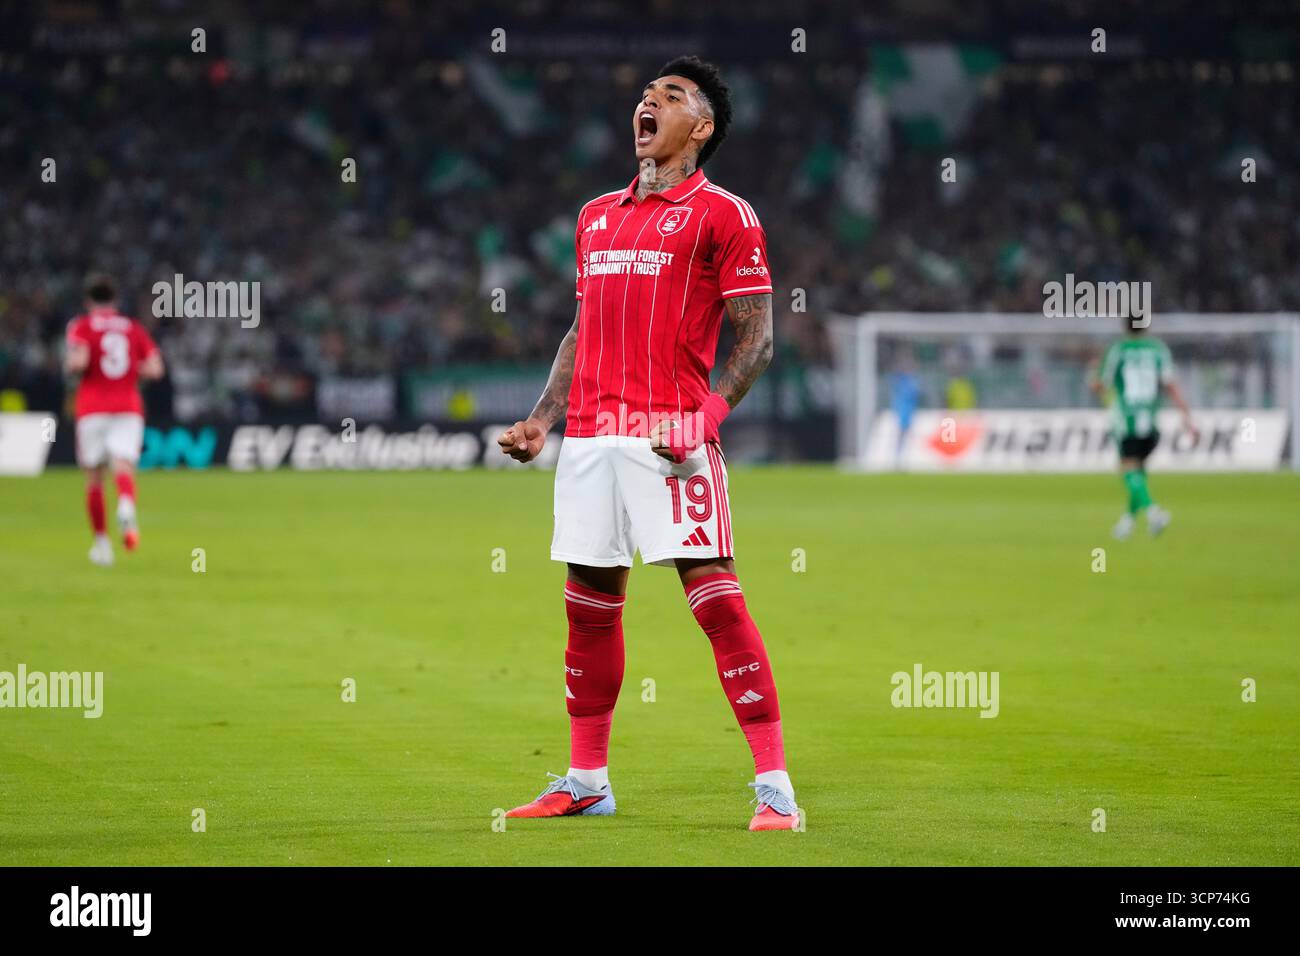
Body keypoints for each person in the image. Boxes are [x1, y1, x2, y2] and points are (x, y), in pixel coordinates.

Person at [496, 56, 797, 830]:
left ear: (700, 128)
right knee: (588, 611)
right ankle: (587, 780)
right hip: (591, 440)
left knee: (717, 604)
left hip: (670, 441)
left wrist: (706, 415)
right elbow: (581, 327)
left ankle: (775, 788)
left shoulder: (725, 215)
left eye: (668, 97)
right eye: (642, 95)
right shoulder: (596, 215)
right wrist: (543, 417)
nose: (646, 103)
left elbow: (757, 341)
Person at [64, 274, 165, 566]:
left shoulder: (81, 326)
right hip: (128, 406)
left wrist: (71, 364)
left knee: (94, 477)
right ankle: (126, 503)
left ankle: (102, 545)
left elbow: (79, 362)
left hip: (92, 407)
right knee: (123, 465)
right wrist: (130, 370)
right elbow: (156, 369)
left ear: (88, 301)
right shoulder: (133, 328)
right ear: (115, 301)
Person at [1090, 319, 1197, 539]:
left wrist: (1093, 379)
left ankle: (1153, 511)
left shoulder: (1118, 349)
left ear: (1125, 326)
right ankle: (1127, 522)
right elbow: (1171, 386)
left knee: (1127, 469)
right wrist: (1187, 418)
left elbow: (1102, 383)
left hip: (1126, 419)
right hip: (1151, 419)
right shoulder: (1158, 350)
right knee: (1137, 472)